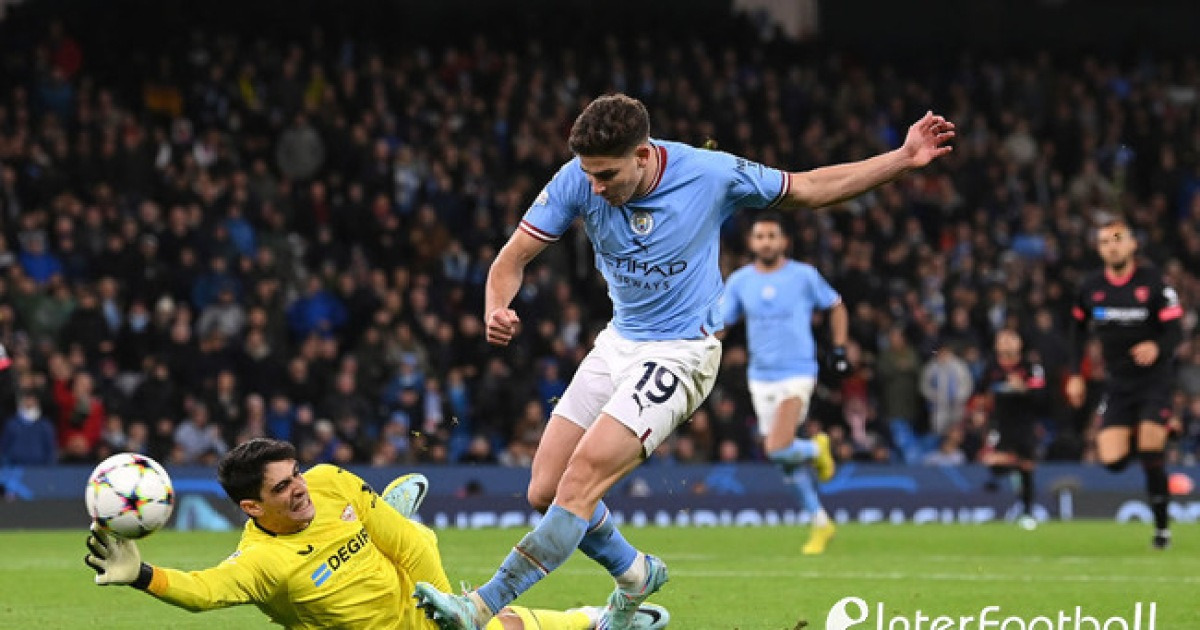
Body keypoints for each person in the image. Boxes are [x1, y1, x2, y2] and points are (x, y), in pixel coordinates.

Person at [414, 93, 955, 629]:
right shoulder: (577, 179)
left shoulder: (709, 174)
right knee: (545, 490)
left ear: (643, 154)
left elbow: (808, 187)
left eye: (607, 175)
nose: (595, 187)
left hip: (682, 353)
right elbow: (511, 258)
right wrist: (496, 307)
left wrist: (903, 158)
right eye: (590, 174)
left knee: (579, 482)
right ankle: (635, 575)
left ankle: (479, 606)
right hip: (618, 342)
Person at [84, 438, 668, 629]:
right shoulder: (262, 563)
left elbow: (413, 546)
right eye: (283, 488)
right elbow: (205, 591)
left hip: (420, 599)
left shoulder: (329, 482)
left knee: (474, 605)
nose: (300, 488)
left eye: (296, 474)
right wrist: (141, 575)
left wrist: (454, 606)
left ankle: (597, 620)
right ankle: (595, 619)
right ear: (252, 507)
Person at [719, 212, 843, 554]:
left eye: (772, 236)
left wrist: (840, 346)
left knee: (776, 446)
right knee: (784, 459)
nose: (766, 242)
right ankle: (821, 523)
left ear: (784, 241)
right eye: (760, 236)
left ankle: (817, 448)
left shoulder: (804, 276)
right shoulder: (740, 281)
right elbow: (722, 323)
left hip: (798, 372)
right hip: (760, 377)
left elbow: (836, 305)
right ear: (751, 242)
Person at [1066, 216, 1183, 549]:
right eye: (1104, 241)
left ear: (1133, 244)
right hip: (1118, 383)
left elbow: (1175, 331)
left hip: (1154, 380)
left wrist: (1157, 346)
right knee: (1112, 460)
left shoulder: (1154, 283)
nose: (1112, 246)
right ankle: (1152, 430)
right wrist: (1076, 374)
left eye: (1118, 239)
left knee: (1150, 451)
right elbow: (1076, 331)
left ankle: (1162, 530)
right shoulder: (1090, 287)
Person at [979, 329, 1048, 529]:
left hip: (1025, 424)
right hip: (1000, 424)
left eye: (1011, 339)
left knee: (1027, 472)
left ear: (1019, 344)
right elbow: (981, 392)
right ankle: (1016, 465)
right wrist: (980, 411)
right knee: (994, 463)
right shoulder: (991, 367)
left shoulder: (1031, 367)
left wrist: (1023, 388)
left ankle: (1027, 512)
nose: (1007, 343)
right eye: (1003, 339)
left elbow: (1042, 396)